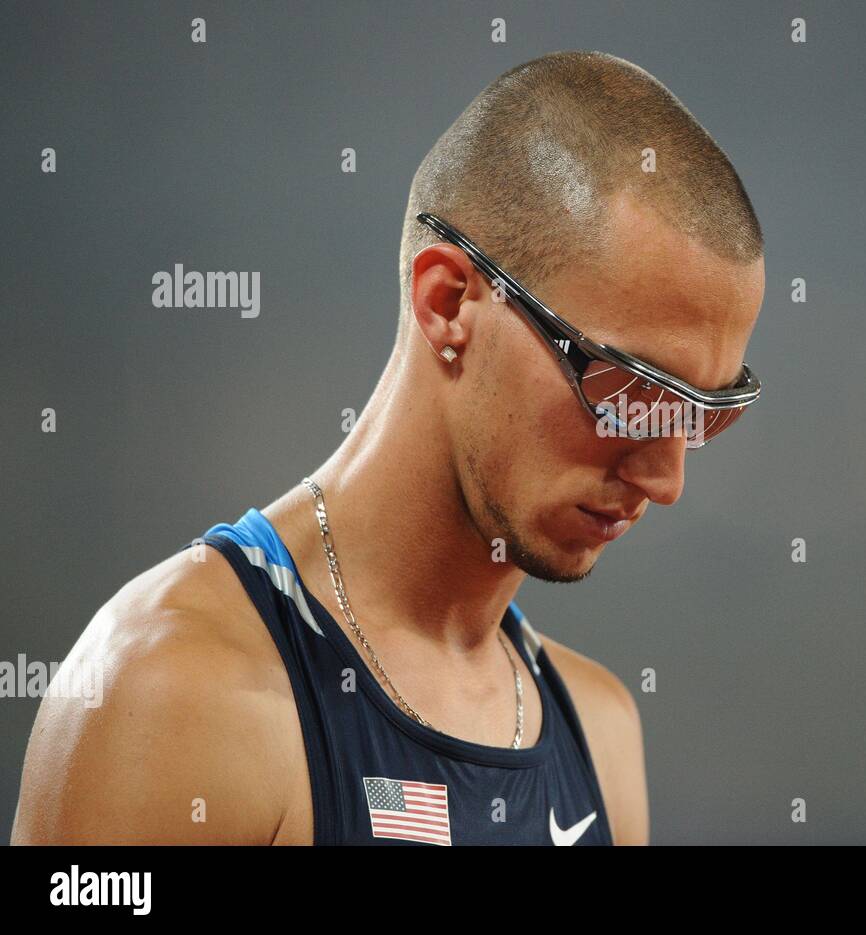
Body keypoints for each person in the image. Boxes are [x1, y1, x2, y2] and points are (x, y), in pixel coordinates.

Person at [11, 49, 765, 845]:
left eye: (705, 413)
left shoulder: (601, 735)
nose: (667, 475)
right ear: (448, 303)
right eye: (631, 389)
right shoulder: (172, 696)